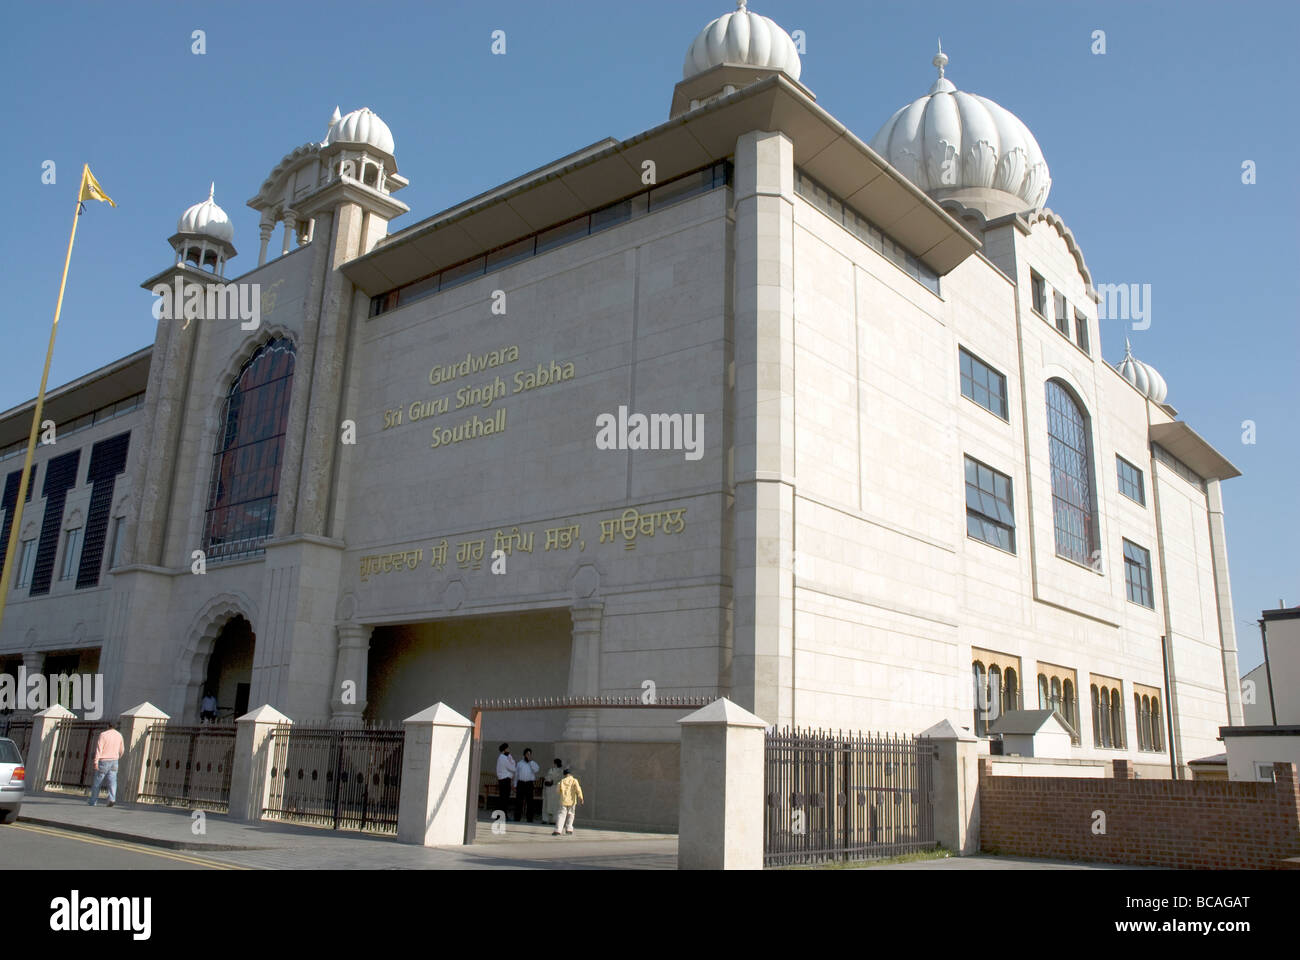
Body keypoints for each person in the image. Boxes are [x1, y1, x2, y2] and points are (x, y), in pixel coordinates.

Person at [88, 723, 125, 807]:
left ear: (108, 726)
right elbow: (122, 749)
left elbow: (99, 749)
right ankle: (112, 799)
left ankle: (93, 801)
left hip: (104, 760)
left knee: (98, 781)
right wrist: (118, 757)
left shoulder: (103, 734)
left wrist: (96, 761)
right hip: (114, 760)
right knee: (112, 781)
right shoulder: (119, 735)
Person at [553, 767, 583, 836]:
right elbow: (578, 789)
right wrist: (581, 797)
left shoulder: (562, 781)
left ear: (564, 774)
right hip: (572, 801)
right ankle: (569, 829)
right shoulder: (574, 780)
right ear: (570, 774)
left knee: (561, 815)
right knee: (571, 815)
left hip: (563, 800)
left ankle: (558, 830)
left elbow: (557, 791)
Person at [514, 748, 540, 823]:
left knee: (530, 802)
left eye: (529, 754)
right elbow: (516, 774)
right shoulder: (519, 763)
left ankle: (530, 819)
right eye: (527, 754)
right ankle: (517, 818)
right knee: (519, 801)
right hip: (521, 783)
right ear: (524, 754)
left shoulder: (533, 763)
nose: (528, 755)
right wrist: (515, 784)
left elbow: (536, 770)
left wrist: (530, 762)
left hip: (529, 784)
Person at [495, 743, 516, 819]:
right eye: (507, 749)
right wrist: (511, 759)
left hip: (504, 780)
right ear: (504, 750)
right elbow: (513, 768)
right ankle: (502, 815)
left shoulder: (502, 757)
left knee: (503, 798)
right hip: (505, 780)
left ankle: (501, 815)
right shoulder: (503, 758)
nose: (509, 750)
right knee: (504, 798)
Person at [542, 757, 564, 824]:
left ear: (555, 764)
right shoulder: (560, 771)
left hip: (553, 789)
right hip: (552, 789)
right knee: (552, 805)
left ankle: (549, 820)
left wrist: (550, 782)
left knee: (550, 805)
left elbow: (549, 779)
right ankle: (551, 820)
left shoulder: (556, 770)